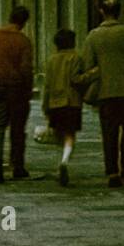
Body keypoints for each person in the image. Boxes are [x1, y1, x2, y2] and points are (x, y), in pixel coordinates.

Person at [80, 0, 124, 188]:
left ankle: (112, 171)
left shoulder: (93, 36)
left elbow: (87, 65)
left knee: (109, 132)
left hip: (106, 92)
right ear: (119, 12)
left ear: (102, 11)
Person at [0, 5, 34, 183]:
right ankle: (17, 165)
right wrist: (28, 88)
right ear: (24, 22)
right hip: (16, 87)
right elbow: (26, 69)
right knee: (17, 127)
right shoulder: (23, 41)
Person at [42, 28, 85, 187]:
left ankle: (61, 160)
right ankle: (65, 161)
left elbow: (47, 86)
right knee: (69, 135)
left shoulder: (51, 60)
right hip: (72, 102)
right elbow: (77, 79)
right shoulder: (76, 58)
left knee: (59, 134)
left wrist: (45, 107)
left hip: (55, 103)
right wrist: (93, 73)